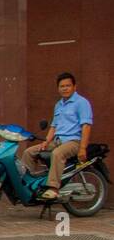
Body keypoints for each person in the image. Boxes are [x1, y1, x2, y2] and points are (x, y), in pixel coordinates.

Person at [23, 72, 94, 200]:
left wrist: (83, 148)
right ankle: (29, 183)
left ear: (74, 87)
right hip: (57, 140)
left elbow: (86, 126)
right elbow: (54, 127)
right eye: (62, 86)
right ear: (58, 89)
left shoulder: (81, 103)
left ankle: (53, 188)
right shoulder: (58, 104)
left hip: (74, 141)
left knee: (57, 153)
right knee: (29, 152)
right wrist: (46, 142)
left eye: (68, 85)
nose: (65, 88)